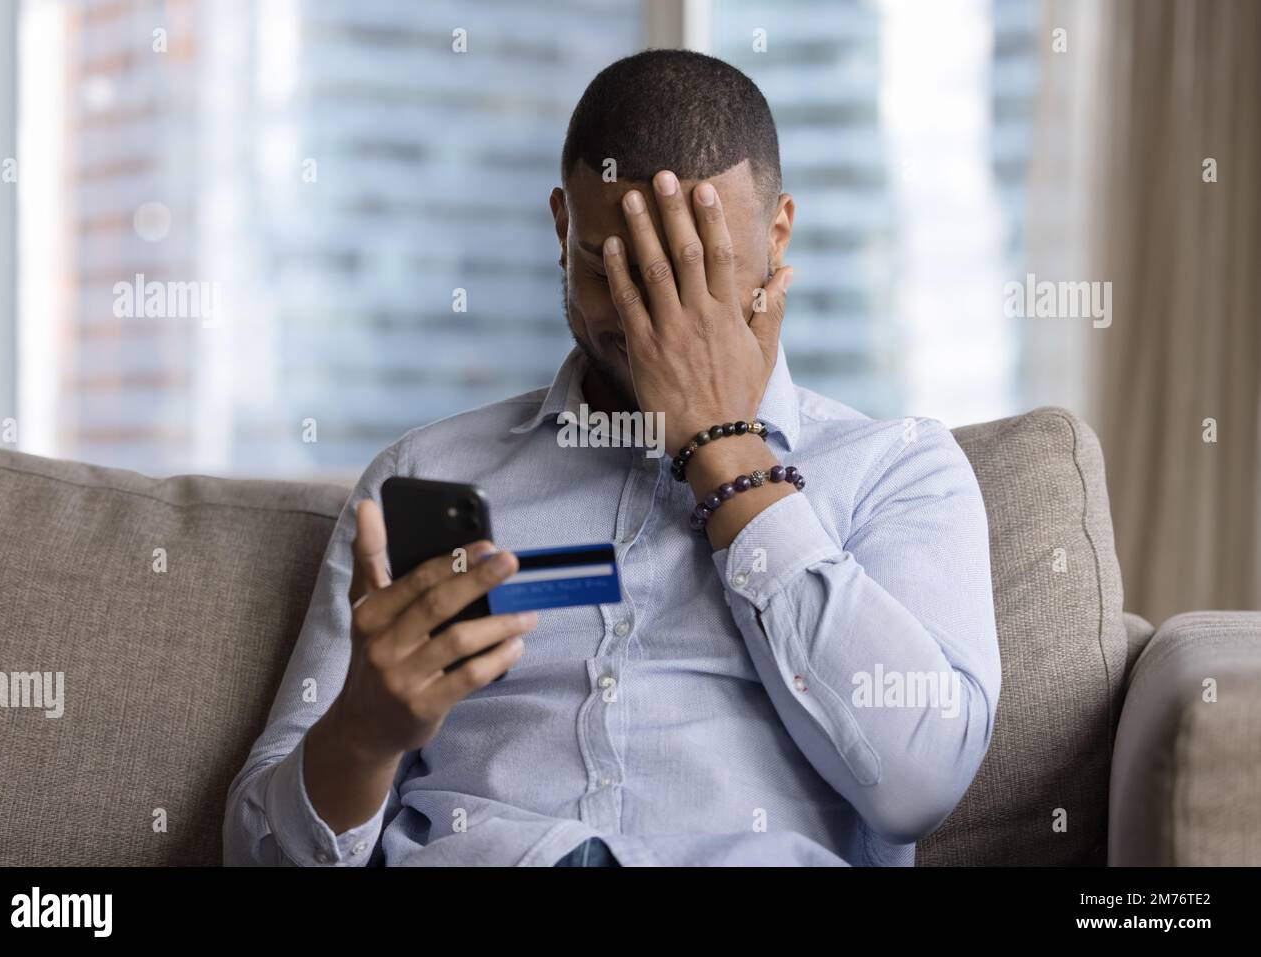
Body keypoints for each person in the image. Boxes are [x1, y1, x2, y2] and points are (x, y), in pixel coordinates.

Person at [224, 49, 1000, 867]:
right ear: (562, 228)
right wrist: (362, 736)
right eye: (613, 268)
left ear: (777, 237)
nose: (651, 322)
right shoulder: (425, 477)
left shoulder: (899, 471)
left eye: (699, 270)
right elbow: (256, 854)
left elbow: (920, 783)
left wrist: (720, 445)